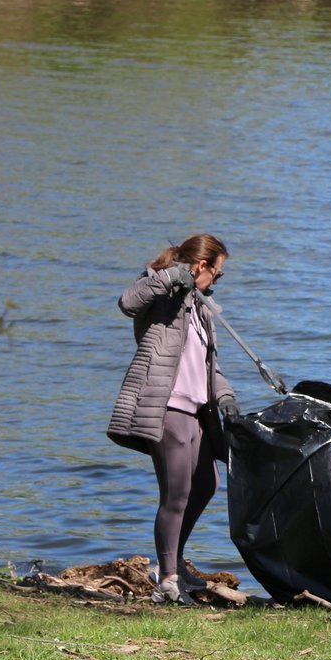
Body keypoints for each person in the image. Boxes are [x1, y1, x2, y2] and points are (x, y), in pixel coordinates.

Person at [108, 234, 239, 606]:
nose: (216, 281)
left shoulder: (201, 310)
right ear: (201, 266)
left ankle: (174, 563)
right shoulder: (160, 288)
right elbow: (127, 302)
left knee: (206, 484)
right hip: (166, 406)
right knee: (176, 493)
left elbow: (210, 366)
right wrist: (171, 278)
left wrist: (226, 397)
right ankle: (167, 580)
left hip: (197, 410)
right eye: (217, 273)